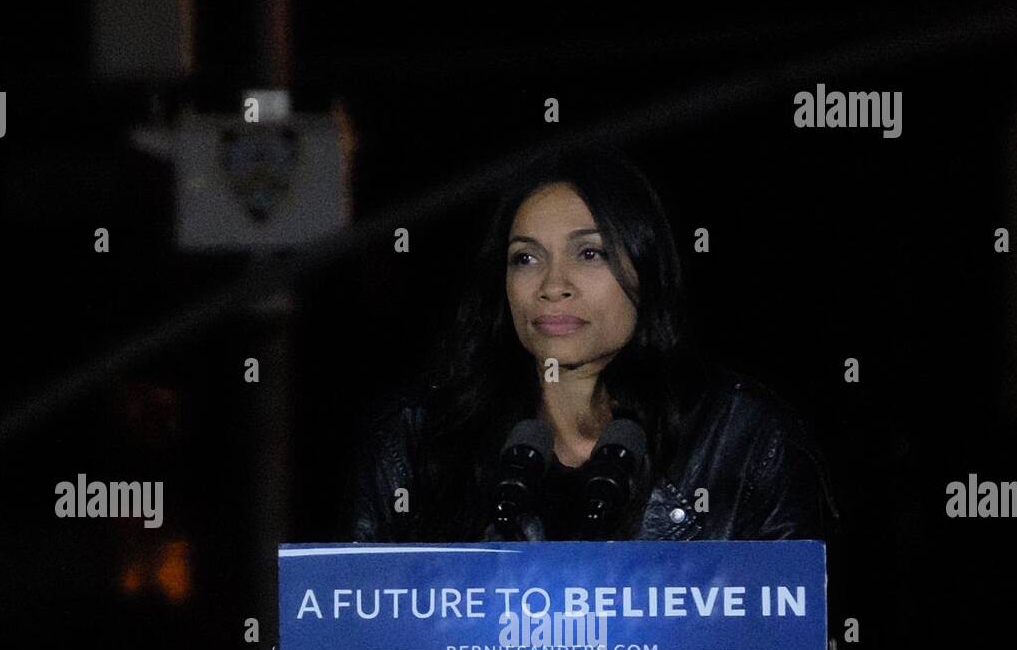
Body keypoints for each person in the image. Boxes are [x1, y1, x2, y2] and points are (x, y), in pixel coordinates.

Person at [337, 145, 836, 544]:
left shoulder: (743, 441)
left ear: (646, 268)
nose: (554, 285)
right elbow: (362, 629)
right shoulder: (415, 442)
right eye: (526, 258)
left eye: (590, 253)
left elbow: (787, 631)